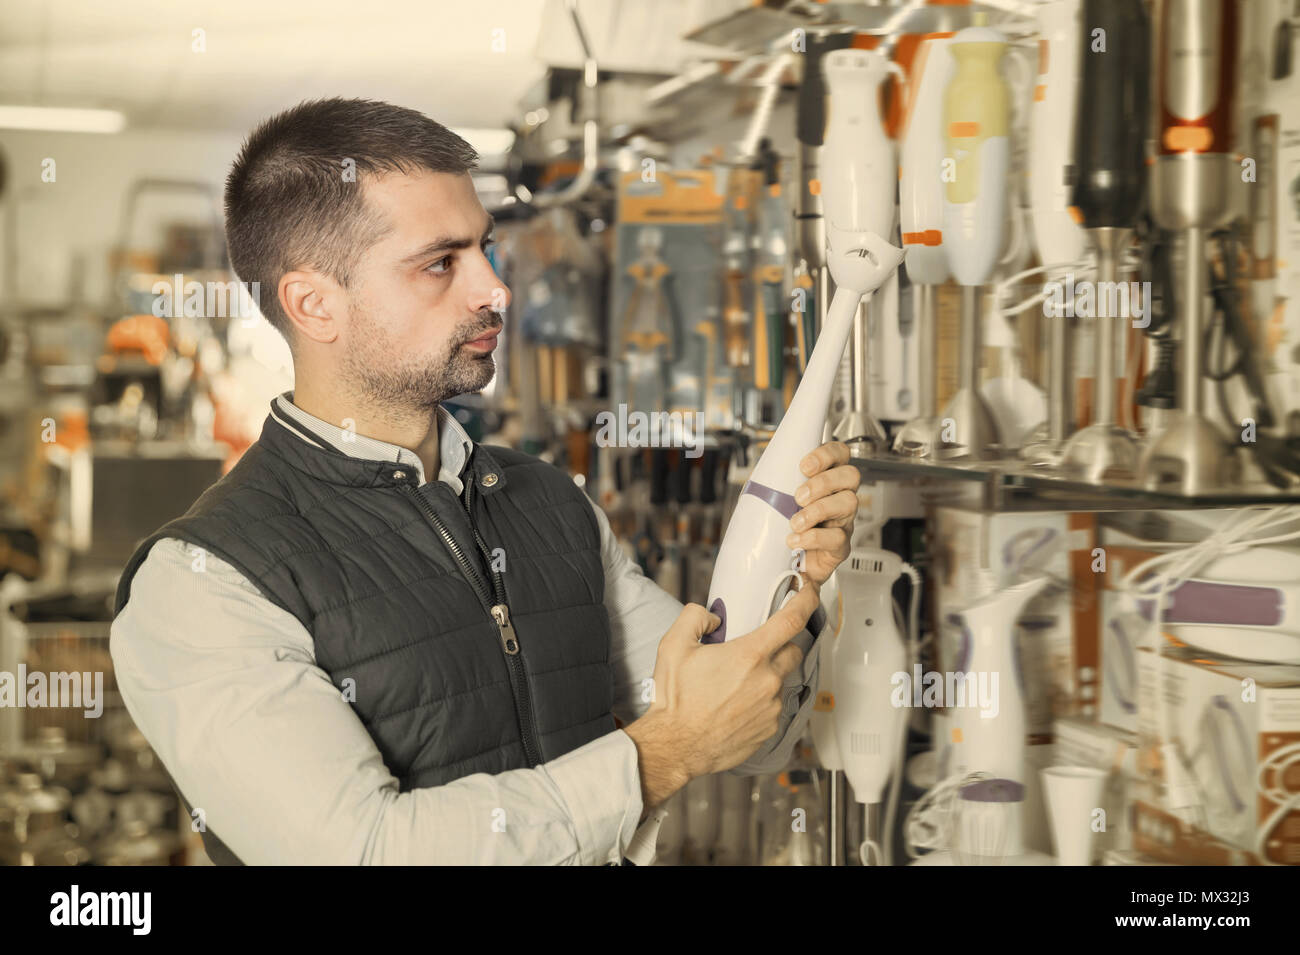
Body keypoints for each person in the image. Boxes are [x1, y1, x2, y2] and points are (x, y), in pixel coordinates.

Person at [109, 98, 861, 864]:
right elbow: (366, 851)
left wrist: (792, 585)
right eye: (442, 262)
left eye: (485, 250)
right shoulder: (203, 583)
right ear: (313, 304)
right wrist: (657, 758)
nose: (494, 289)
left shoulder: (550, 504)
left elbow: (734, 725)